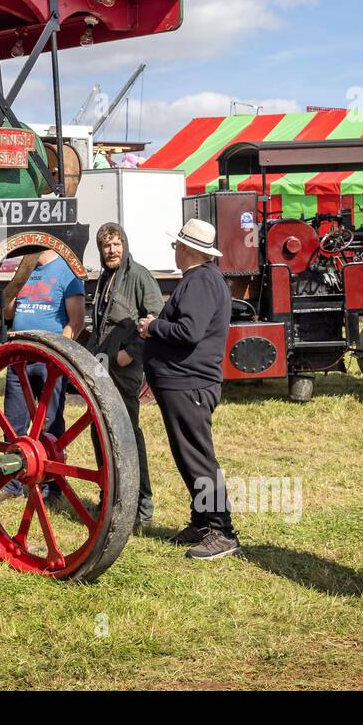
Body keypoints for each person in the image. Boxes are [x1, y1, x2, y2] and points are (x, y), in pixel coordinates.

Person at [137, 218, 236, 559]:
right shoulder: (203, 279)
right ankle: (204, 521)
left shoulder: (201, 282)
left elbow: (188, 331)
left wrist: (153, 327)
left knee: (196, 457)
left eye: (176, 246)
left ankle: (221, 531)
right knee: (189, 455)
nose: (175, 251)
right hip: (184, 381)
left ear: (187, 249)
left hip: (189, 381)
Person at [87, 222, 164, 528]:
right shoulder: (105, 278)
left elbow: (155, 319)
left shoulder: (138, 275)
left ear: (125, 245)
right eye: (107, 245)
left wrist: (130, 352)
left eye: (117, 244)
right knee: (100, 432)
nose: (112, 250)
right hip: (102, 366)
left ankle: (141, 506)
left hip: (124, 368)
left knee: (127, 434)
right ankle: (111, 497)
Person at [0, 249, 86, 501]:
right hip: (19, 359)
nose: (23, 252)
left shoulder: (65, 271)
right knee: (14, 422)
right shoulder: (25, 272)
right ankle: (12, 483)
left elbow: (76, 321)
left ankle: (52, 486)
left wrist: (59, 355)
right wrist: (13, 287)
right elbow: (9, 314)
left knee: (51, 423)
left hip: (49, 361)